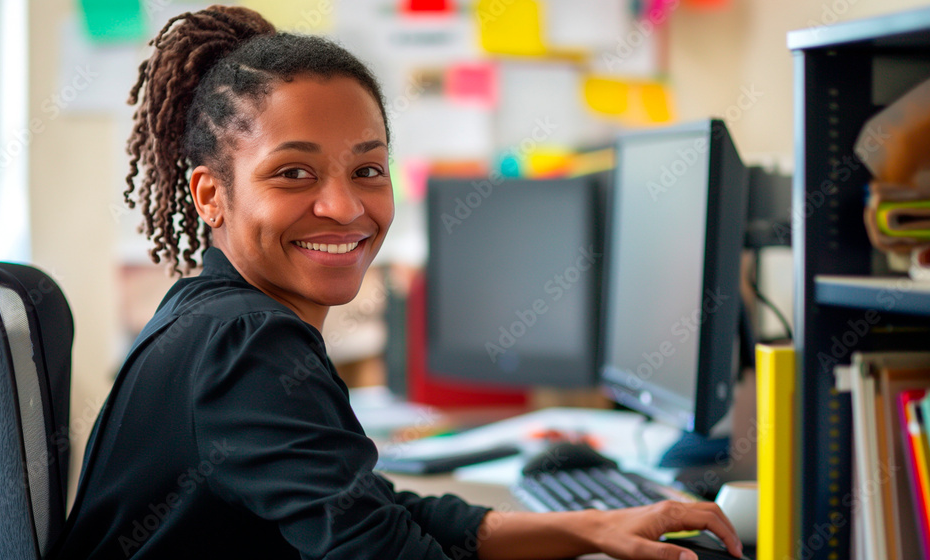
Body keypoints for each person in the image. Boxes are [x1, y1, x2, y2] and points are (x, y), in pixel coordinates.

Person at [52, 5, 743, 559]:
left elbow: (378, 512)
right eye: (294, 172)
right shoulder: (246, 344)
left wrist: (587, 529)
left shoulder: (212, 316)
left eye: (367, 169)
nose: (345, 207)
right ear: (211, 196)